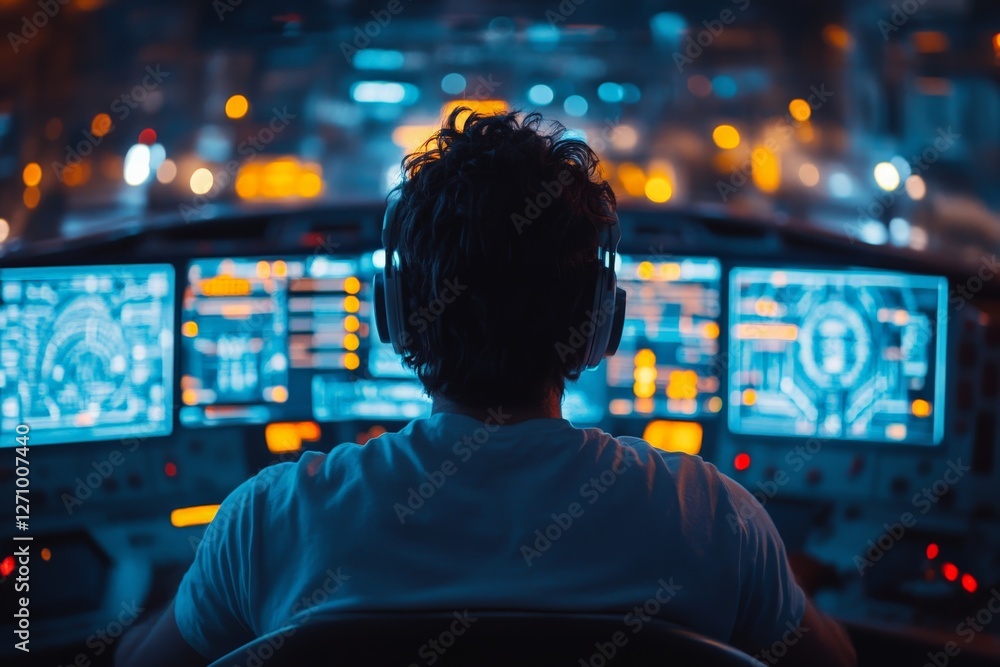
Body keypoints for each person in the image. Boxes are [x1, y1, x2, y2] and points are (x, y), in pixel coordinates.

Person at [117, 109, 856, 667]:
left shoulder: (268, 522)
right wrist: (786, 567)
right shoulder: (714, 521)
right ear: (602, 325)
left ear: (395, 315)